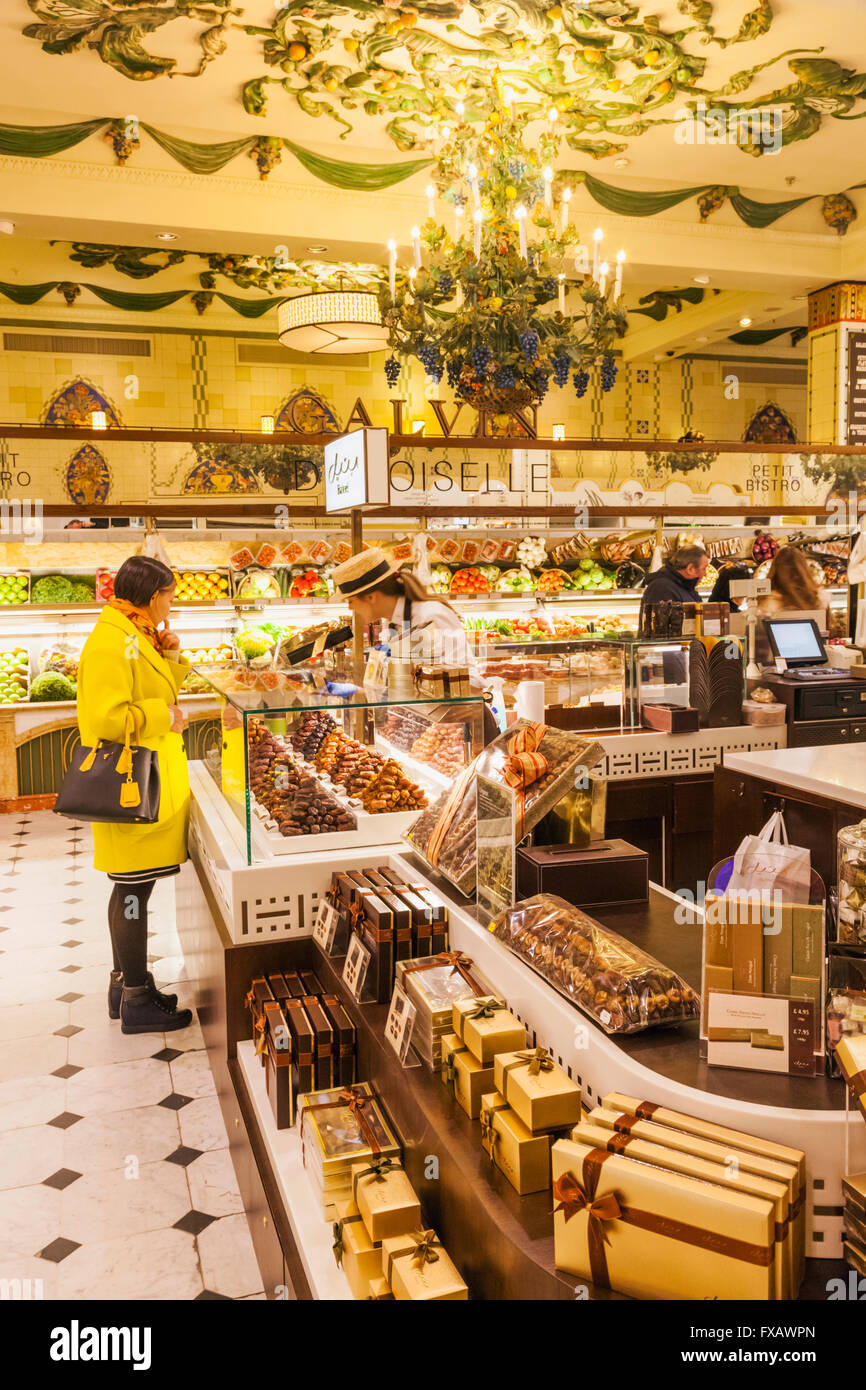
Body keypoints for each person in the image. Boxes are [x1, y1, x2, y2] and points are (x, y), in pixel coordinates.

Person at [76, 555, 193, 1034]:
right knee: (132, 891)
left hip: (146, 782)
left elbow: (159, 690)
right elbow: (105, 718)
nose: (172, 603)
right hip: (130, 787)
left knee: (133, 887)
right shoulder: (111, 642)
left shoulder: (136, 634)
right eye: (169, 595)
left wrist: (169, 656)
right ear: (149, 597)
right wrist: (161, 716)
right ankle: (137, 1000)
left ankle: (125, 983)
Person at [331, 547, 474, 672]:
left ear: (371, 597)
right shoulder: (393, 622)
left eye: (351, 601)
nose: (350, 607)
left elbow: (469, 680)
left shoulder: (431, 615)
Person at [759, 545, 828, 618]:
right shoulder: (819, 597)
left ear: (775, 570)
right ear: (803, 569)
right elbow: (827, 625)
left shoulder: (770, 600)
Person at [641, 545, 709, 606]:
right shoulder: (662, 588)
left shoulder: (685, 586)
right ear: (690, 569)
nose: (705, 574)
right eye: (704, 568)